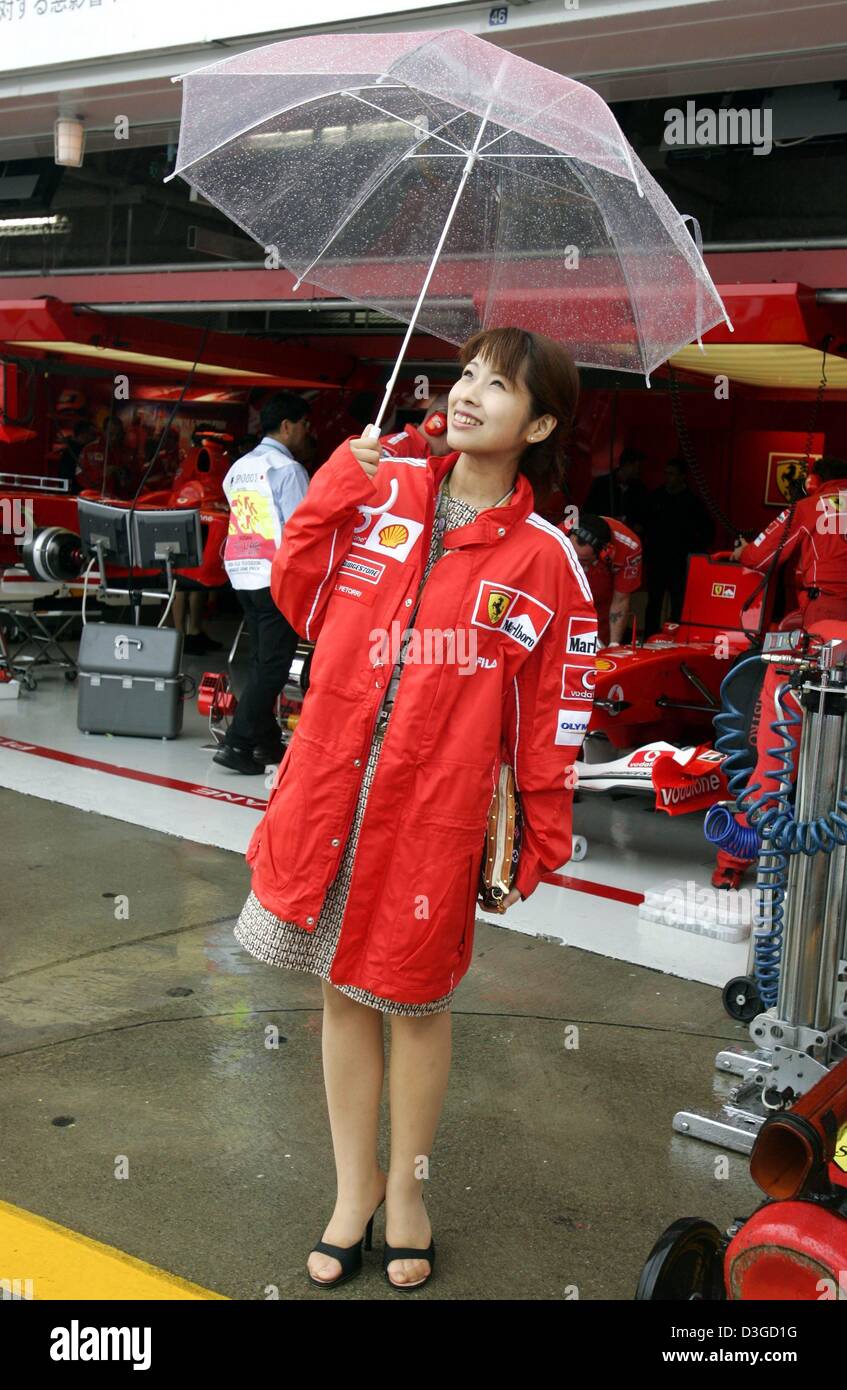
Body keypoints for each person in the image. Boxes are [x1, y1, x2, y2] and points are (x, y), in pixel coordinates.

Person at [232, 327, 596, 1290]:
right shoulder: (381, 489)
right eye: (468, 374)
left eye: (501, 386)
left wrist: (544, 828)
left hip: (432, 810)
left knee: (414, 1001)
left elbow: (556, 705)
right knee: (339, 991)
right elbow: (294, 593)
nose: (471, 393)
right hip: (329, 789)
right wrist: (331, 491)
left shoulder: (544, 558)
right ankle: (353, 1191)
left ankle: (408, 1194)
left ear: (541, 422)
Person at [712, 456, 847, 889]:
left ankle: (733, 862)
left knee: (774, 755)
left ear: (814, 480)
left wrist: (736, 551)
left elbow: (757, 556)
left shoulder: (808, 508)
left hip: (815, 635)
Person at [213, 393, 312, 774]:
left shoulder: (238, 468)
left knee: (260, 662)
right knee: (273, 666)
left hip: (242, 572)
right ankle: (237, 744)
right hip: (275, 576)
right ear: (287, 425)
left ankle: (266, 745)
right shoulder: (286, 468)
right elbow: (304, 529)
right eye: (304, 425)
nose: (307, 433)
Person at [643, 456, 714, 635]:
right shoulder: (656, 497)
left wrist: (695, 553)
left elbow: (707, 531)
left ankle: (675, 636)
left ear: (682, 476)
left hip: (680, 561)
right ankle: (649, 635)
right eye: (666, 473)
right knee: (654, 601)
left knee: (678, 602)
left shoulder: (692, 502)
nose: (668, 477)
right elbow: (645, 525)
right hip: (657, 559)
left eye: (672, 474)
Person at [564, 511, 642, 646]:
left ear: (605, 553)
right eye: (571, 556)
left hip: (604, 605)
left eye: (582, 560)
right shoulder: (559, 532)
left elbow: (620, 600)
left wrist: (614, 645)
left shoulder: (628, 547)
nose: (575, 564)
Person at [584, 445, 650, 535]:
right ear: (627, 465)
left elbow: (643, 519)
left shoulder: (640, 490)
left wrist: (630, 522)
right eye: (637, 467)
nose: (639, 471)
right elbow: (590, 511)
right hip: (603, 535)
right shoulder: (602, 484)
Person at [56, 419, 97, 493]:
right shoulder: (72, 452)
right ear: (83, 434)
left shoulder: (84, 449)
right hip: (75, 491)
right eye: (93, 434)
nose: (95, 438)